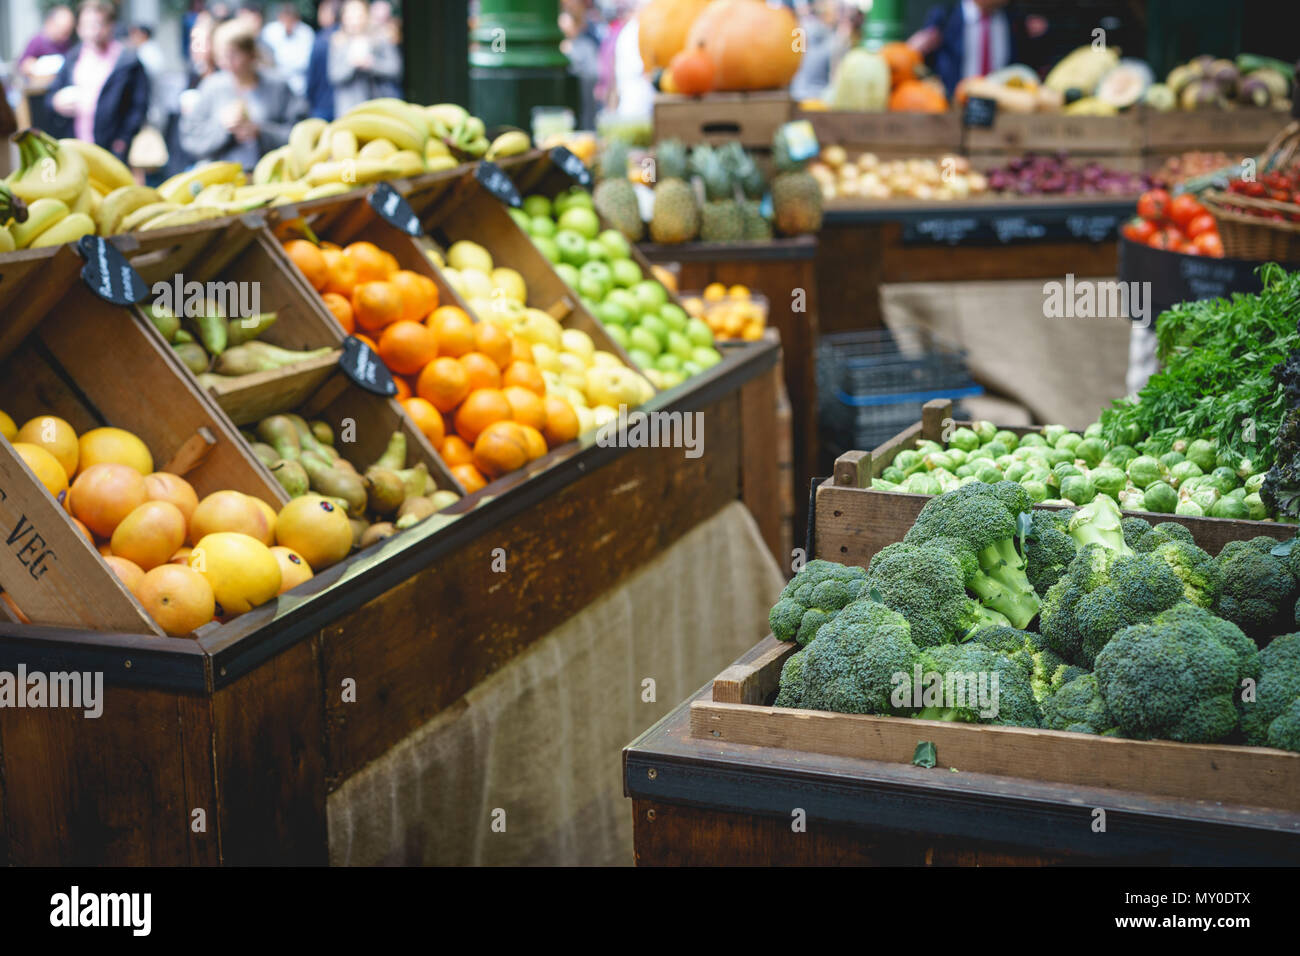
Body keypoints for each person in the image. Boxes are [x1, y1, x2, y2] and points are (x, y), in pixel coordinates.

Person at [180, 18, 304, 170]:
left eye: (233, 55)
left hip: (272, 172)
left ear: (251, 55)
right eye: (222, 56)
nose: (227, 62)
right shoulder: (212, 87)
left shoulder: (277, 87)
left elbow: (300, 133)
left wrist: (260, 132)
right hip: (221, 174)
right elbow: (190, 137)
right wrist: (224, 129)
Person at [46, 1, 151, 159]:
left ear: (110, 26)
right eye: (87, 25)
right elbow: (50, 95)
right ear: (79, 27)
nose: (92, 31)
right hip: (77, 146)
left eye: (98, 24)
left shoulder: (127, 61)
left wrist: (123, 139)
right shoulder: (72, 58)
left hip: (112, 148)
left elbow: (139, 105)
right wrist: (56, 102)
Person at [908, 1, 1048, 96]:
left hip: (1001, 112)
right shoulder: (946, 16)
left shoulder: (1014, 21)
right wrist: (914, 48)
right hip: (954, 110)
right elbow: (919, 62)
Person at [327, 0, 402, 115]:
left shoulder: (380, 38)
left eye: (359, 16)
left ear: (367, 16)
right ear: (343, 18)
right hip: (348, 110)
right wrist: (352, 63)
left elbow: (395, 69)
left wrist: (372, 64)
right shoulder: (338, 42)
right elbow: (334, 76)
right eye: (350, 16)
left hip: (379, 107)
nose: (355, 21)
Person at [262, 2, 315, 97]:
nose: (287, 24)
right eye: (284, 20)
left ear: (296, 19)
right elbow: (266, 59)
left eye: (291, 20)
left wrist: (280, 63)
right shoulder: (270, 31)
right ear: (280, 18)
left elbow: (306, 62)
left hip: (299, 87)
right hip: (274, 86)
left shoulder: (306, 33)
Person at [18, 5, 76, 82]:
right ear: (50, 23)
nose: (65, 37)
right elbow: (23, 66)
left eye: (68, 32)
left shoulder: (67, 43)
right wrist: (36, 67)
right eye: (62, 31)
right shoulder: (37, 42)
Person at [306, 0, 341, 120]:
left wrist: (309, 100)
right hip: (344, 105)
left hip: (321, 104)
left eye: (321, 11)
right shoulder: (346, 38)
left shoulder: (320, 40)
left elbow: (312, 76)